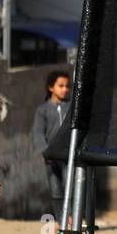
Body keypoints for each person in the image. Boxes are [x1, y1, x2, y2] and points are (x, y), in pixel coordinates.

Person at [32, 69, 71, 214]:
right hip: (51, 157)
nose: (65, 89)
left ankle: (72, 219)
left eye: (67, 86)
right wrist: (46, 152)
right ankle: (61, 220)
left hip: (69, 155)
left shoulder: (72, 107)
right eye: (61, 86)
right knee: (56, 190)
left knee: (70, 187)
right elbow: (38, 133)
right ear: (51, 87)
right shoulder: (43, 110)